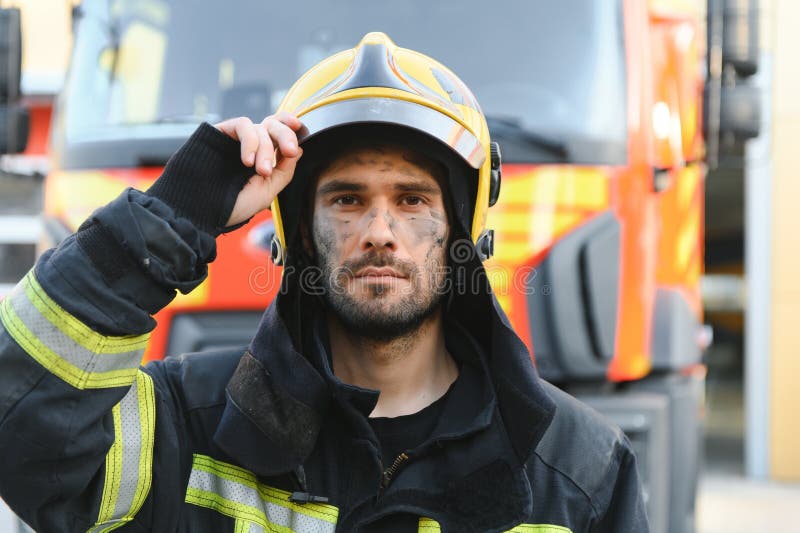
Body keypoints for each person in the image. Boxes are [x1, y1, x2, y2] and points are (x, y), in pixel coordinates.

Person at [0, 33, 648, 532]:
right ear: (302, 234)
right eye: (346, 199)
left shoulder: (579, 469)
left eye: (413, 199)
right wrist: (175, 213)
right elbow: (22, 433)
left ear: (462, 229)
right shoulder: (184, 426)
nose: (379, 231)